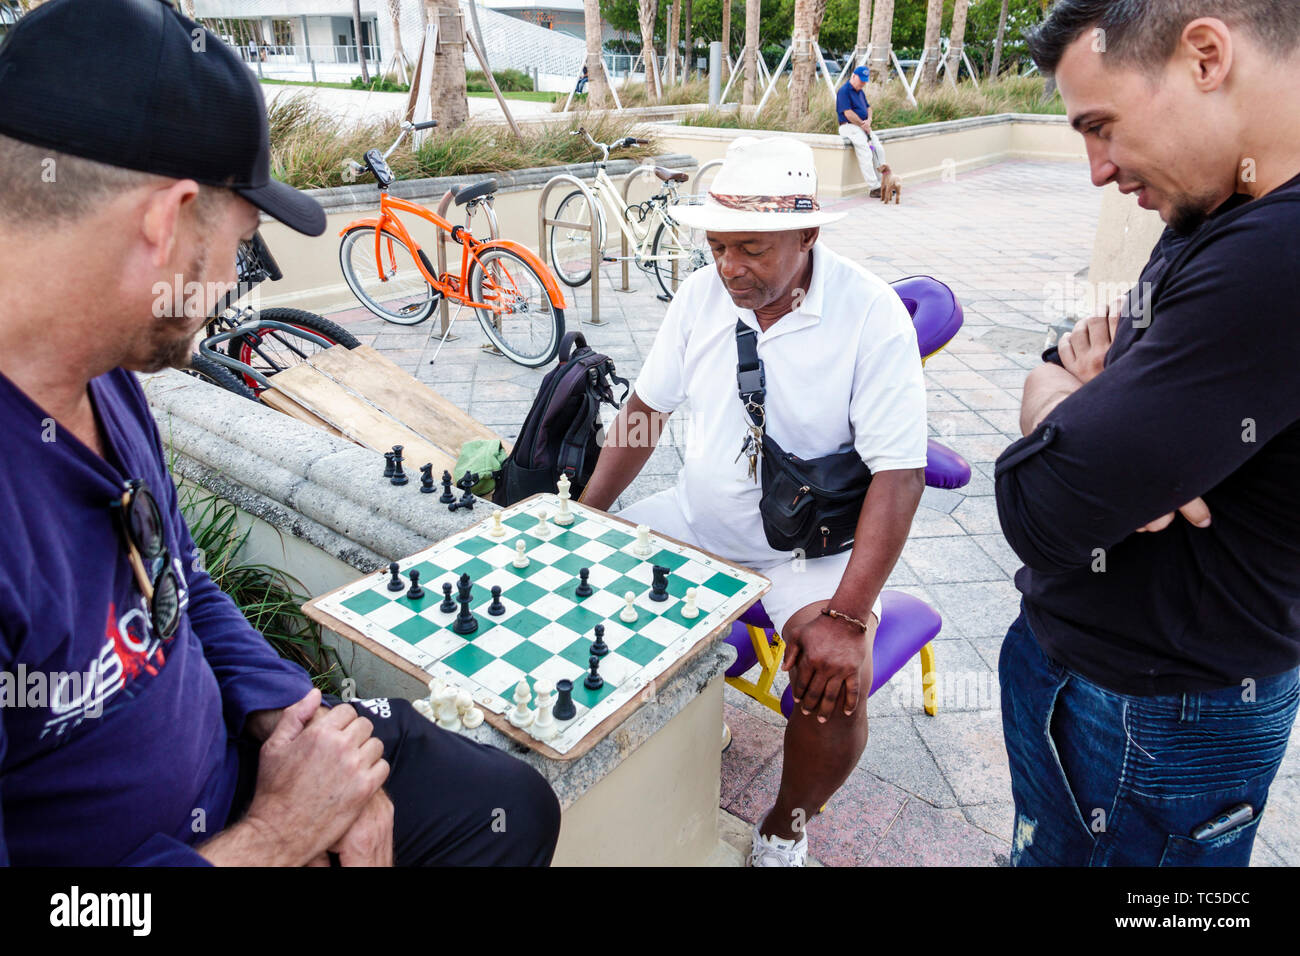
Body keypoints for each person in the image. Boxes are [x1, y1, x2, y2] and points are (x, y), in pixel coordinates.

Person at [0, 0, 560, 867]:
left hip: (243, 766)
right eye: (243, 244)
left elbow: (181, 578)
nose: (233, 282)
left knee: (511, 806)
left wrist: (301, 730)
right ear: (166, 220)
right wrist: (278, 837)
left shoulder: (103, 371)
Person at [995, 0, 1300, 866]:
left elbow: (1044, 503)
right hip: (1091, 673)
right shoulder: (1216, 212)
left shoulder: (1277, 254)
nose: (1096, 170)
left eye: (1101, 126)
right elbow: (1077, 351)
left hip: (1165, 718)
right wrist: (1077, 400)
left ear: (1205, 55)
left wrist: (1058, 410)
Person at [580, 136, 928, 866]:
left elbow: (900, 476)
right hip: (697, 518)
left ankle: (784, 827)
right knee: (579, 592)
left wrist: (847, 613)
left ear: (806, 236)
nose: (730, 269)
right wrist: (586, 516)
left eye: (752, 250)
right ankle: (679, 733)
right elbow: (645, 411)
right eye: (717, 249)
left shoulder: (871, 317)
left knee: (838, 685)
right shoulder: (701, 297)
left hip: (811, 551)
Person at [835, 65, 882, 194]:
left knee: (878, 149)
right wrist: (863, 124)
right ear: (853, 76)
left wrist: (869, 121)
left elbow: (869, 108)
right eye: (861, 80)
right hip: (849, 126)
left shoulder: (860, 91)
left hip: (863, 126)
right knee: (865, 151)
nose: (862, 83)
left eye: (864, 81)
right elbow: (848, 113)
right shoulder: (844, 91)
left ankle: (882, 182)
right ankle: (874, 187)